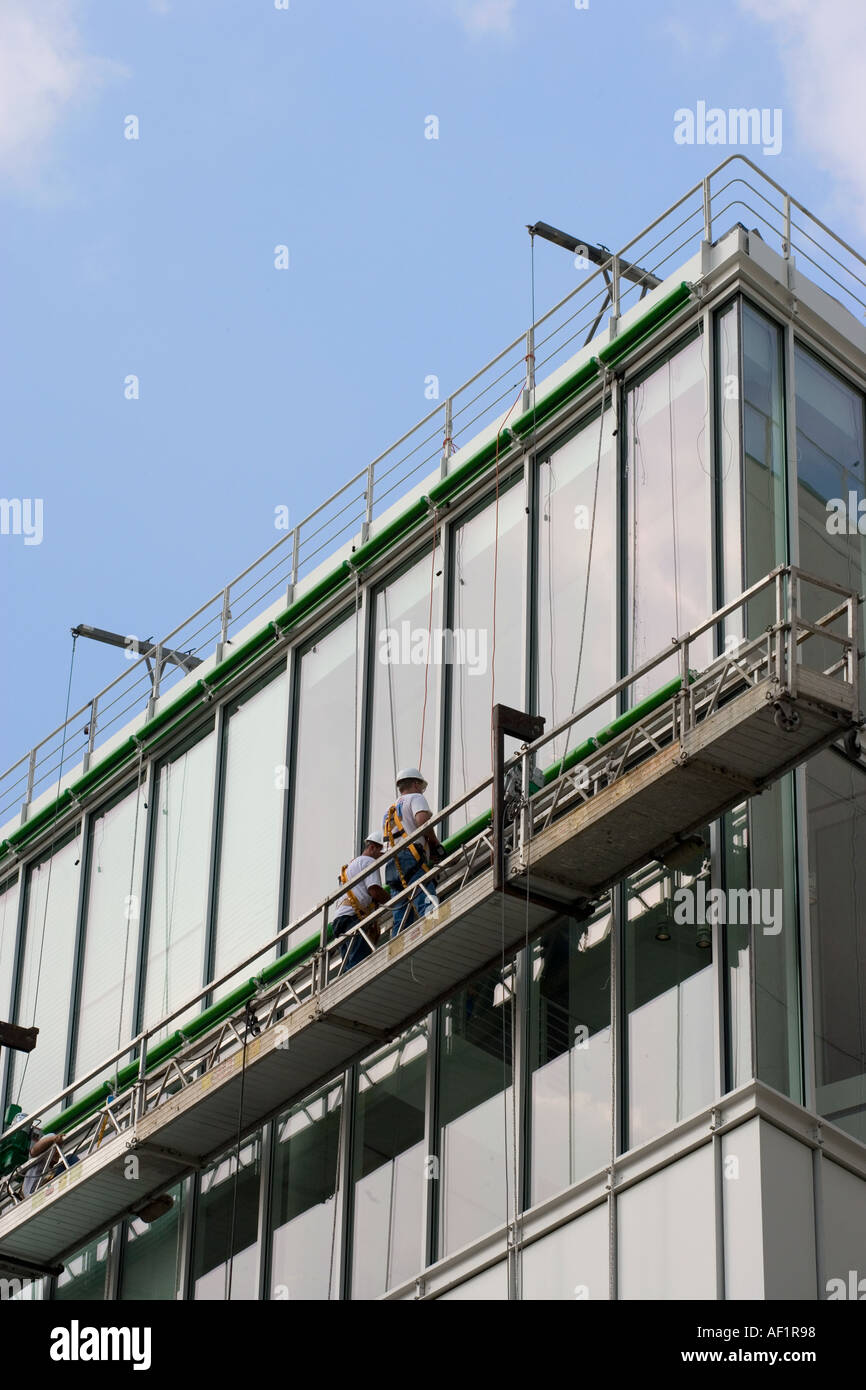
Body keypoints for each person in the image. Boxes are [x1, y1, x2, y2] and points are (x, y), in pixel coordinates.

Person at [382, 768, 445, 937]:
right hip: (411, 858)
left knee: (401, 915)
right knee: (426, 897)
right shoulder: (416, 798)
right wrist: (434, 844)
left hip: (391, 865)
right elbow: (422, 822)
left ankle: (398, 947)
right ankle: (434, 931)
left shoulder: (389, 810)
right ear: (416, 784)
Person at [333, 832, 390, 972]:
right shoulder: (368, 861)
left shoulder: (352, 865)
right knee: (358, 965)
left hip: (340, 920)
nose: (380, 858)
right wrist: (393, 900)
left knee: (349, 965)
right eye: (380, 853)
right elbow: (374, 891)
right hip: (353, 918)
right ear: (372, 847)